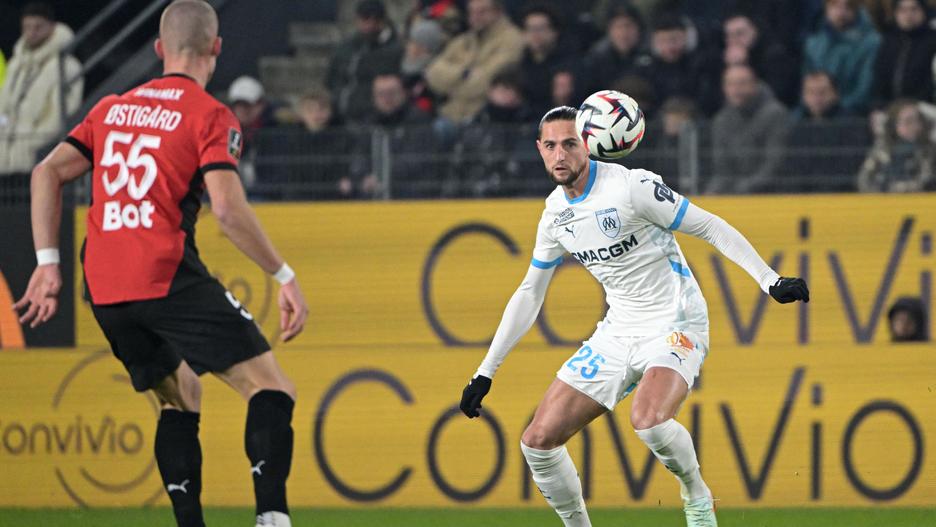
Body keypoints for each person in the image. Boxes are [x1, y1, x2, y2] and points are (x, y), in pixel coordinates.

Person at [12, 3, 309, 527]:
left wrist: (47, 263)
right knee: (271, 389)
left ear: (158, 49)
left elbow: (45, 173)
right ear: (216, 48)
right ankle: (273, 519)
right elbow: (227, 210)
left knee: (180, 396)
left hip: (104, 286)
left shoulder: (111, 109)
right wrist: (283, 275)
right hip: (164, 273)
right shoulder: (209, 115)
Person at [458, 106, 809, 527]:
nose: (559, 155)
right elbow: (530, 292)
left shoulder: (632, 187)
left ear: (589, 143)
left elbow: (709, 226)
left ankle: (697, 496)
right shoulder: (555, 215)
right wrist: (485, 372)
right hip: (618, 331)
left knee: (650, 422)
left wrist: (770, 280)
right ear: (539, 149)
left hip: (675, 322)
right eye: (550, 146)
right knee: (537, 442)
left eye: (569, 143)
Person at [0, 2, 82, 175]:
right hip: (5, 161)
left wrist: (32, 144)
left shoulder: (66, 67)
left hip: (38, 160)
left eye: (38, 27)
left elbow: (62, 115)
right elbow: (4, 107)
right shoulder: (16, 65)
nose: (31, 33)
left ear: (52, 27)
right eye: (27, 27)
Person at [424, 0, 524, 123]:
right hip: (450, 114)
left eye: (482, 11)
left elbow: (485, 83)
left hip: (485, 118)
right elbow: (432, 72)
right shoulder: (464, 40)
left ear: (498, 12)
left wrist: (451, 86)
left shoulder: (512, 40)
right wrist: (464, 73)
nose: (475, 17)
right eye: (472, 12)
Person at [709, 64, 791, 194]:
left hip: (773, 192)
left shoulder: (775, 114)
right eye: (731, 84)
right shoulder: (721, 119)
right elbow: (722, 167)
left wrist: (743, 188)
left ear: (755, 85)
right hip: (736, 190)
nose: (736, 89)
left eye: (742, 83)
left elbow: (775, 163)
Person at [786, 71, 870, 192]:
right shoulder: (798, 127)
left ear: (835, 93)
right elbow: (791, 168)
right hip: (802, 196)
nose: (816, 98)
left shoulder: (851, 125)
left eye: (822, 92)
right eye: (810, 92)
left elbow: (850, 166)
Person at [327, 0, 403, 123]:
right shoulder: (345, 47)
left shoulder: (395, 50)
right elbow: (331, 79)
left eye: (376, 19)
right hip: (340, 115)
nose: (370, 24)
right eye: (365, 18)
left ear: (383, 20)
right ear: (357, 19)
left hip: (375, 119)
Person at [803, 0, 881, 114]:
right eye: (834, 6)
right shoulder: (813, 42)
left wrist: (838, 107)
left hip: (853, 113)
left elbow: (865, 88)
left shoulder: (871, 42)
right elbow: (806, 83)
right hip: (815, 112)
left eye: (847, 7)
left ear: (855, 9)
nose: (840, 12)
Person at [721, 11, 800, 108]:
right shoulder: (725, 58)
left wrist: (743, 65)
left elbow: (777, 95)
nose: (734, 40)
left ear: (755, 32)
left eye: (740, 33)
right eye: (729, 36)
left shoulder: (775, 55)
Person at [857, 98, 936, 191]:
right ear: (894, 124)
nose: (915, 126)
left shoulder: (930, 150)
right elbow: (864, 180)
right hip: (884, 199)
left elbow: (926, 181)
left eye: (918, 120)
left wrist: (903, 188)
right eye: (908, 121)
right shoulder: (883, 149)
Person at [872, 0, 936, 108]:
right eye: (902, 10)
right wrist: (877, 106)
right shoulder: (889, 41)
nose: (908, 15)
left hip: (923, 106)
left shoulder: (932, 41)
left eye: (914, 9)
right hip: (889, 107)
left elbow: (931, 83)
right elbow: (878, 78)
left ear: (924, 11)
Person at [518, 3, 576, 117]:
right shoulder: (520, 63)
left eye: (541, 28)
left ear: (554, 32)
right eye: (530, 29)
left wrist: (562, 100)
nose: (535, 34)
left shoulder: (570, 64)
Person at [582, 2, 651, 95]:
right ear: (609, 31)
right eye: (618, 27)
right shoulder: (597, 60)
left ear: (638, 29)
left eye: (628, 26)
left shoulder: (651, 56)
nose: (624, 33)